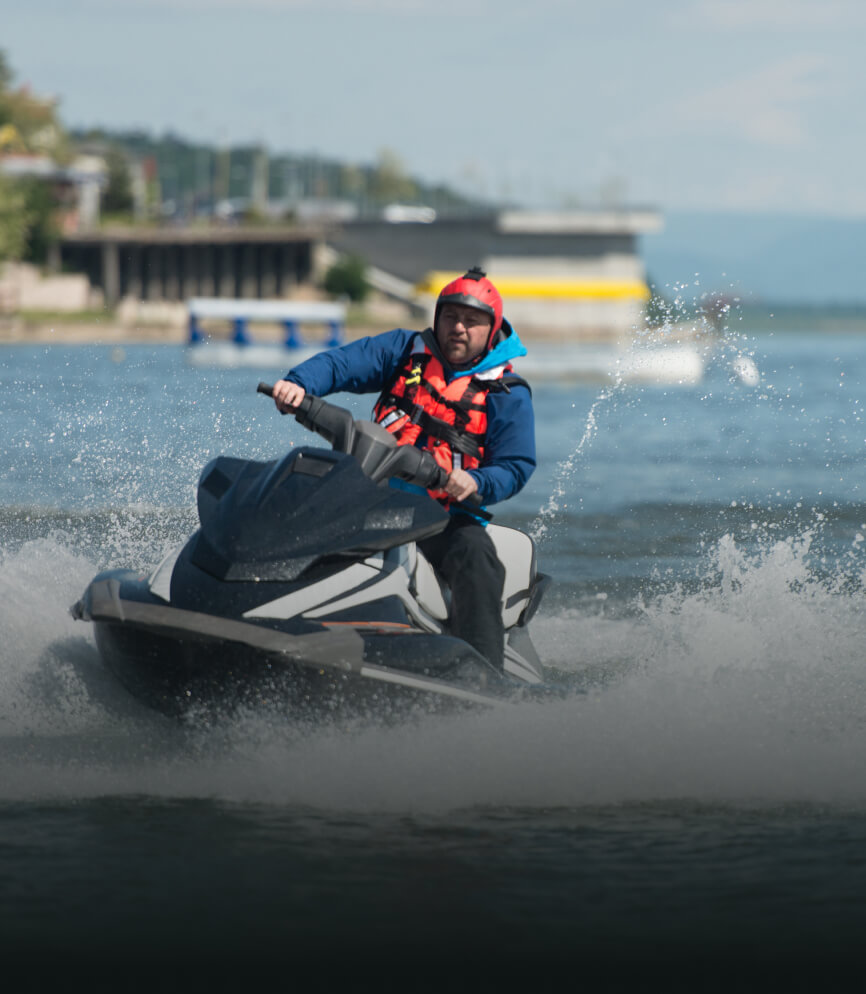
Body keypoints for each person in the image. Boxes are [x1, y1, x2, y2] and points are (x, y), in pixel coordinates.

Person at [271, 266, 535, 671]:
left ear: (491, 328)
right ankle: (254, 608)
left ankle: (484, 674)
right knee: (293, 498)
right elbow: (343, 364)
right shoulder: (402, 350)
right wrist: (299, 383)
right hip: (370, 493)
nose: (459, 328)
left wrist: (476, 480)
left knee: (476, 556)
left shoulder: (507, 393)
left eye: (472, 321)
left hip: (442, 516)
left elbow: (516, 466)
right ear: (437, 318)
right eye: (450, 316)